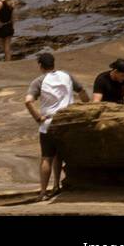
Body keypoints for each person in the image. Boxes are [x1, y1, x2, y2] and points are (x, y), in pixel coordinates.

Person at [24, 52, 90, 201]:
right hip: (68, 122)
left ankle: (43, 192)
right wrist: (87, 107)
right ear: (53, 63)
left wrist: (38, 118)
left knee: (47, 157)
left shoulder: (39, 81)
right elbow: (82, 92)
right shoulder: (66, 76)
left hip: (49, 124)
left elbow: (28, 101)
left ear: (40, 66)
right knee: (59, 155)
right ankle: (57, 185)